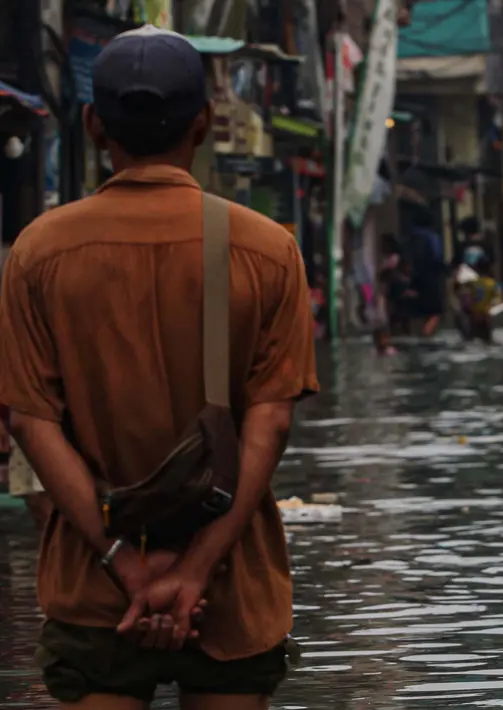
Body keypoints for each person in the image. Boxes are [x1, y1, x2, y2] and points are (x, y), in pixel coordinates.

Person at [0, 25, 318, 708]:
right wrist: (199, 566)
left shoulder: (37, 254)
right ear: (203, 123)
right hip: (233, 580)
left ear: (92, 125)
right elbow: (272, 421)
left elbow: (30, 422)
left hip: (95, 584)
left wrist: (127, 566)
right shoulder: (267, 250)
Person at [461, 256, 501, 344]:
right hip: (485, 317)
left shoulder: (472, 283)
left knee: (471, 341)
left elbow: (463, 293)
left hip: (474, 317)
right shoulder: (493, 284)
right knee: (487, 342)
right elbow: (498, 300)